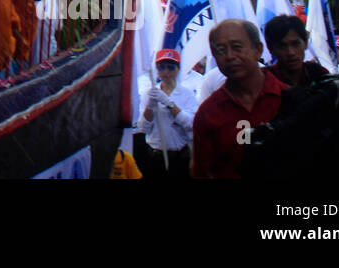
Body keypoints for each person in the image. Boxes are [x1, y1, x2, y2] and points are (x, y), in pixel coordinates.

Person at [192, 19, 287, 178]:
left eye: (237, 47)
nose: (229, 56)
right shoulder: (208, 114)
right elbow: (202, 171)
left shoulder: (289, 98)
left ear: (258, 50)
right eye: (221, 50)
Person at [136, 49, 197, 179]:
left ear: (178, 69)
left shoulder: (187, 94)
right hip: (155, 156)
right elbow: (143, 128)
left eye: (171, 68)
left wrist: (169, 103)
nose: (166, 72)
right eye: (161, 67)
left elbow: (190, 125)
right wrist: (150, 106)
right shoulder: (150, 93)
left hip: (180, 156)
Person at [263, 14, 329, 88]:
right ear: (270, 49)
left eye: (295, 44)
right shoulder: (264, 81)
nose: (291, 53)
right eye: (282, 46)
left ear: (306, 43)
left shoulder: (319, 74)